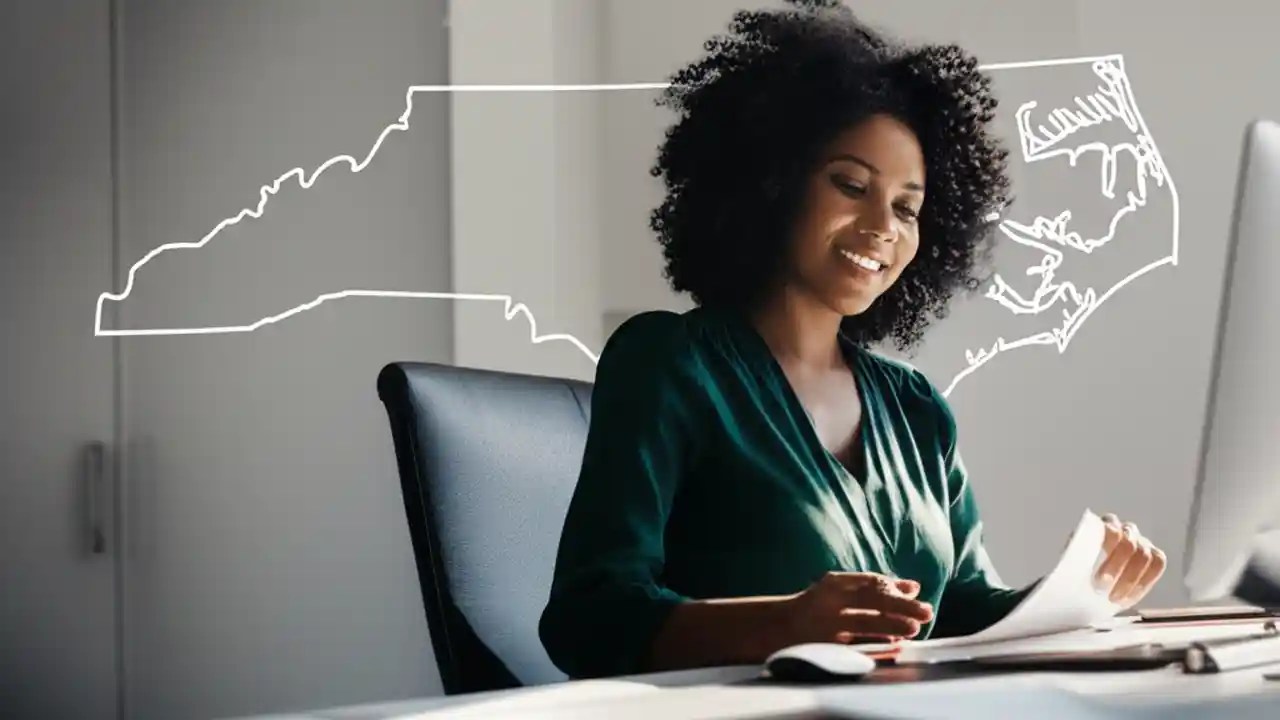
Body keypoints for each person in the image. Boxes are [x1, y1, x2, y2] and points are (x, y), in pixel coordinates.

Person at [538, 0, 1167, 680]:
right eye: (850, 185)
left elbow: (959, 608)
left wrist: (1078, 596)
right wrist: (779, 623)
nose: (883, 227)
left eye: (907, 207)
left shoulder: (916, 408)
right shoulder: (670, 363)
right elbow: (588, 618)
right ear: (771, 183)